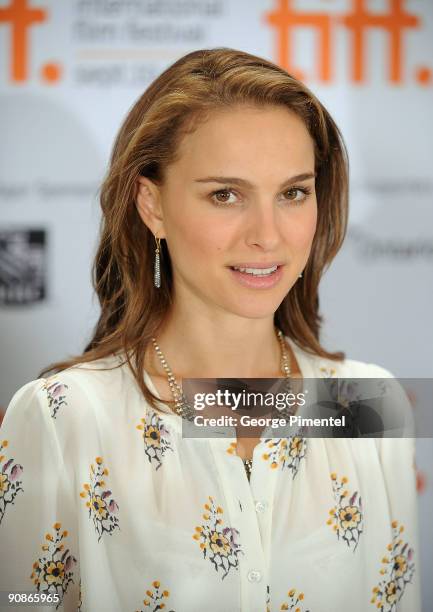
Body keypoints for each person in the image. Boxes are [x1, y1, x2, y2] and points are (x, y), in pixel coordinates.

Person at [0, 48, 420, 612]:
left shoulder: (368, 405)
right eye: (226, 195)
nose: (268, 236)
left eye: (293, 192)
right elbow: (24, 599)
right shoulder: (64, 416)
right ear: (151, 204)